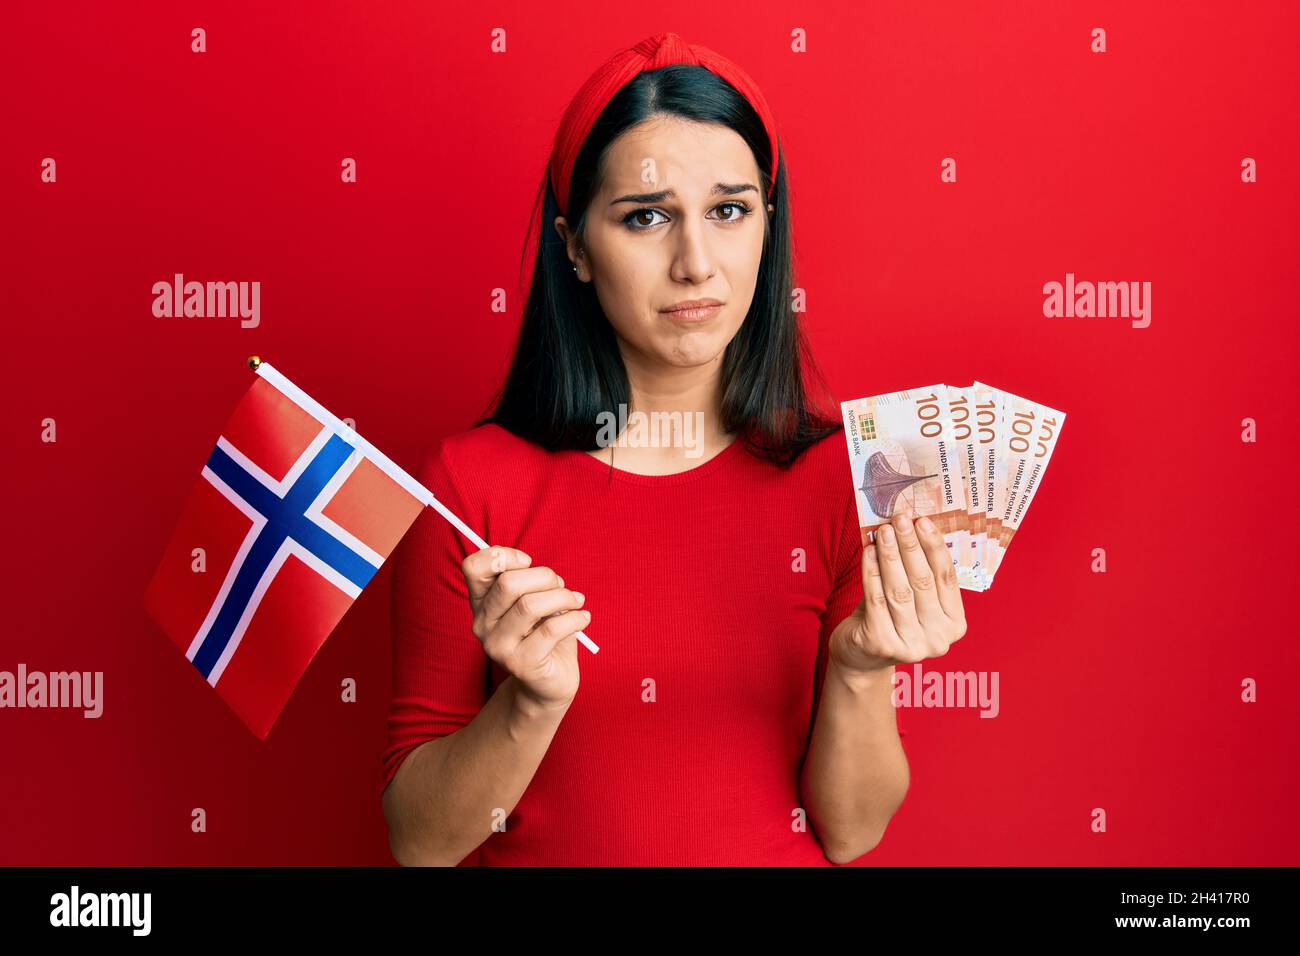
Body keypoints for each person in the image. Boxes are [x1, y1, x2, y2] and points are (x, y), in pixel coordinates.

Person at [381, 31, 967, 866]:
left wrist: (861, 668)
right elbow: (420, 843)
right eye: (646, 217)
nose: (696, 263)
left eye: (729, 210)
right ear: (576, 246)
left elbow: (853, 833)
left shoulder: (851, 474)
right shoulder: (469, 488)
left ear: (769, 227)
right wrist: (528, 706)